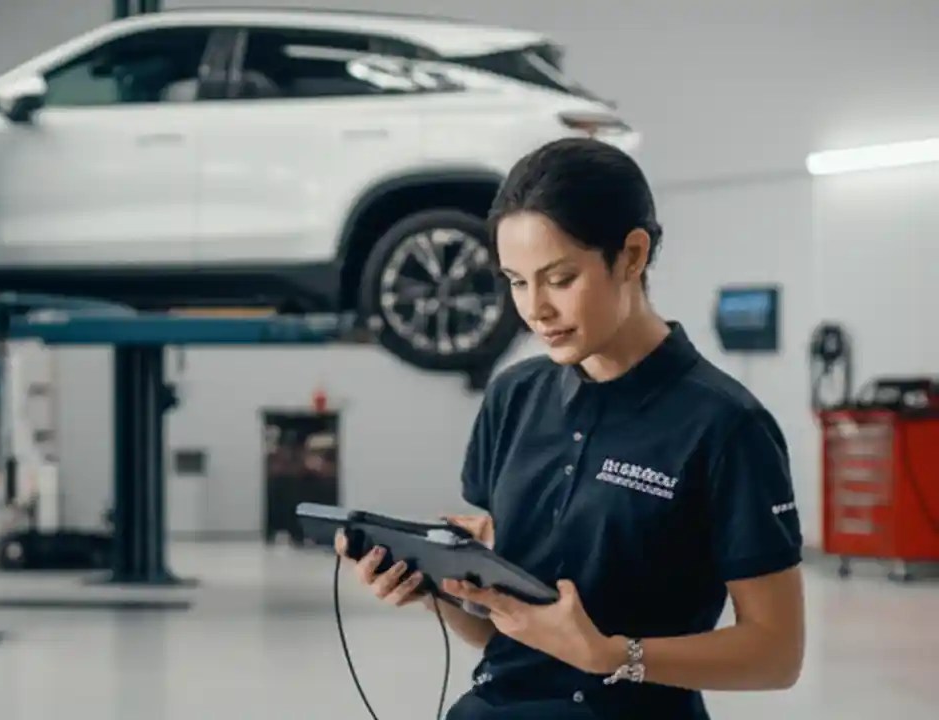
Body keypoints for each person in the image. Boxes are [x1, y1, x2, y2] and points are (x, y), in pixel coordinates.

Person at [335, 137, 805, 719]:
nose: (535, 309)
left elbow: (777, 653)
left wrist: (613, 656)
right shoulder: (513, 397)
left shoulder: (726, 426)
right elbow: (497, 630)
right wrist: (442, 593)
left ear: (632, 256)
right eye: (516, 280)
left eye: (560, 279)